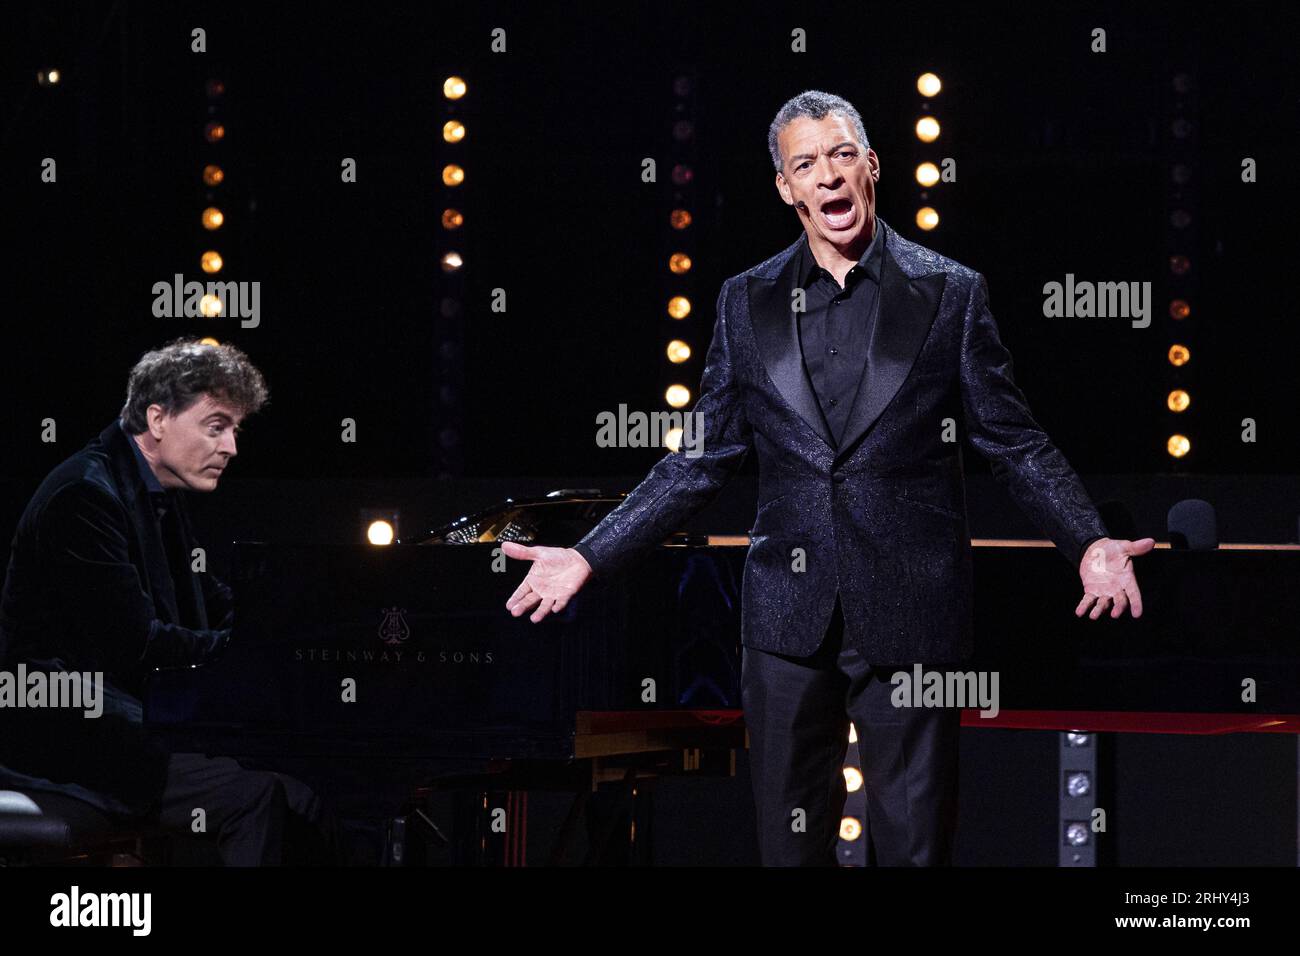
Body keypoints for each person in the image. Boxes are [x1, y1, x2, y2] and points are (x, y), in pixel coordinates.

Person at [502, 90, 1153, 866]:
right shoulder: (746, 301)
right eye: (806, 164)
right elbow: (700, 457)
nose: (828, 177)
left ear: (872, 166)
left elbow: (1014, 441)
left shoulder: (951, 293)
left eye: (842, 155)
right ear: (786, 187)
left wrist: (1087, 540)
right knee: (789, 848)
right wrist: (588, 555)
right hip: (785, 620)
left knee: (914, 848)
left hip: (913, 610)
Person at [0, 338, 342, 865]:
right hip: (64, 732)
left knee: (307, 792)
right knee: (257, 797)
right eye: (216, 426)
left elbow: (208, 600)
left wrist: (287, 628)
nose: (231, 447)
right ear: (157, 418)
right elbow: (135, 643)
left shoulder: (157, 490)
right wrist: (247, 651)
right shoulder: (84, 497)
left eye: (235, 430)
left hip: (130, 716)